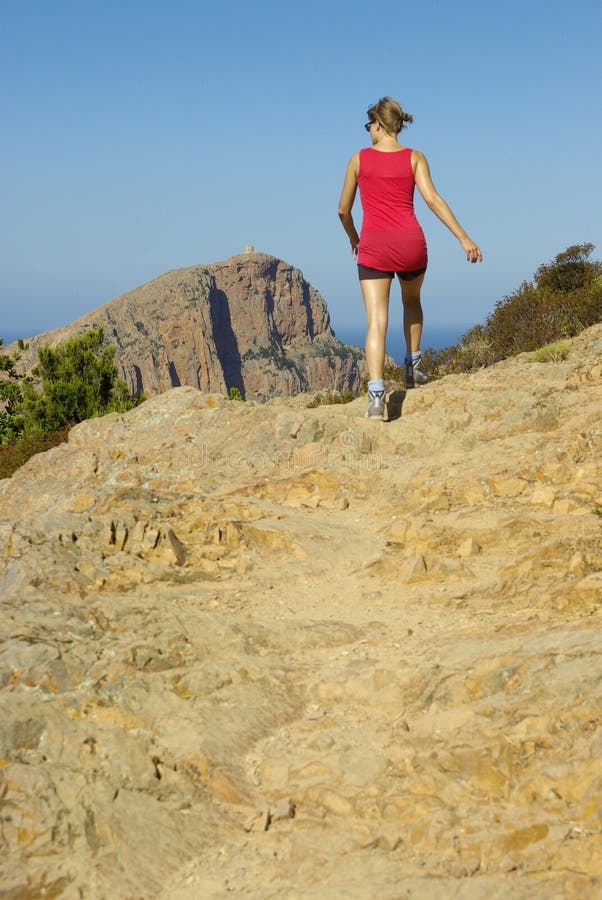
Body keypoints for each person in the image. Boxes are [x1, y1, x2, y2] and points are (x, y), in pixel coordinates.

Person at [338, 96, 483, 419]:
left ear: (377, 124)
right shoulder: (415, 158)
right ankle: (413, 367)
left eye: (368, 125)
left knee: (377, 321)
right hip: (411, 245)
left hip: (373, 246)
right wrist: (464, 238)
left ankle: (377, 397)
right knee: (412, 301)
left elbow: (342, 210)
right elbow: (433, 200)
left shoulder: (358, 160)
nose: (368, 131)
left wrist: (354, 239)